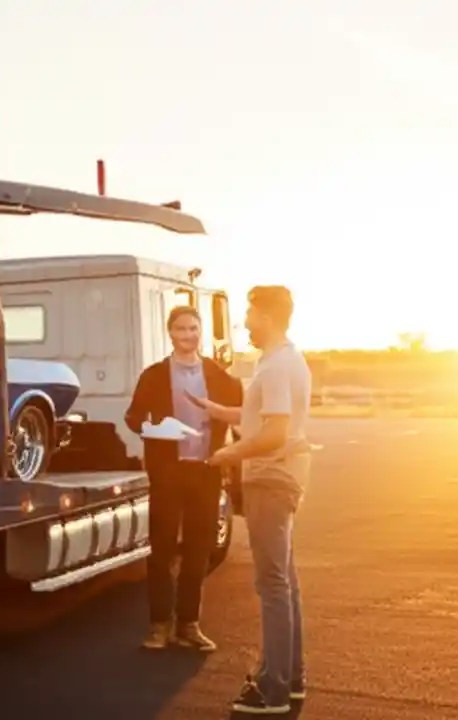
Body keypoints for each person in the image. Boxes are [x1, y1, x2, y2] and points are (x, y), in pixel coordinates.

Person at [189, 285, 312, 715]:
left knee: (272, 585)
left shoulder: (277, 366)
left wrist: (230, 453)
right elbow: (258, 417)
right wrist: (215, 410)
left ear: (267, 315)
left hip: (270, 480)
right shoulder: (283, 361)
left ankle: (273, 689)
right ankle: (289, 680)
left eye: (249, 314)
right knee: (285, 582)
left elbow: (275, 432)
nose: (244, 322)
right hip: (282, 477)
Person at [123, 305, 243, 653]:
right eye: (180, 329)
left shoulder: (221, 377)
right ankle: (159, 625)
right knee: (161, 550)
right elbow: (133, 420)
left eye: (193, 328)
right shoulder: (154, 375)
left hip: (206, 473)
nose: (187, 334)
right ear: (170, 333)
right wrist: (155, 430)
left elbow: (239, 420)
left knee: (198, 551)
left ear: (200, 332)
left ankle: (189, 624)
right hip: (167, 474)